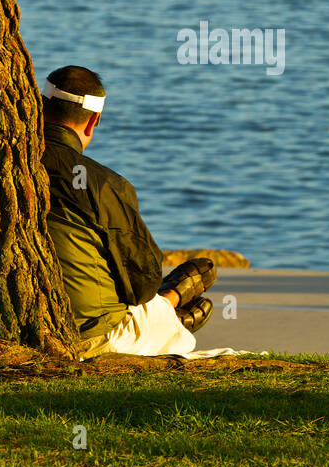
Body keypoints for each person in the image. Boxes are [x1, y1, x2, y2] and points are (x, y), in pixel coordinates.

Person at [40, 64, 217, 357]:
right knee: (155, 307)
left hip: (12, 328)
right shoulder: (104, 185)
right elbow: (142, 285)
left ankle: (169, 308)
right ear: (93, 121)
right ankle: (171, 305)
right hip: (91, 336)